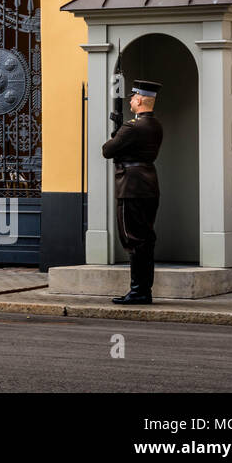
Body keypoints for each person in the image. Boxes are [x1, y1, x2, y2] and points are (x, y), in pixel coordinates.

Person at [101, 79, 163, 304]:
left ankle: (139, 291)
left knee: (133, 239)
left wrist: (117, 132)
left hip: (131, 187)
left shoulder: (132, 127)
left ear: (139, 100)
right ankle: (142, 290)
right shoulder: (155, 125)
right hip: (148, 185)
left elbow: (108, 151)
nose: (129, 100)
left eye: (132, 97)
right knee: (145, 239)